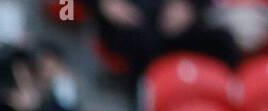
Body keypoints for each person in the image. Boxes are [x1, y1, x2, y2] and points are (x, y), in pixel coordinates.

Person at [89, 0, 241, 86]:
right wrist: (105, 4)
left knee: (222, 41)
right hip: (129, 18)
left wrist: (189, 6)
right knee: (142, 41)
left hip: (176, 16)